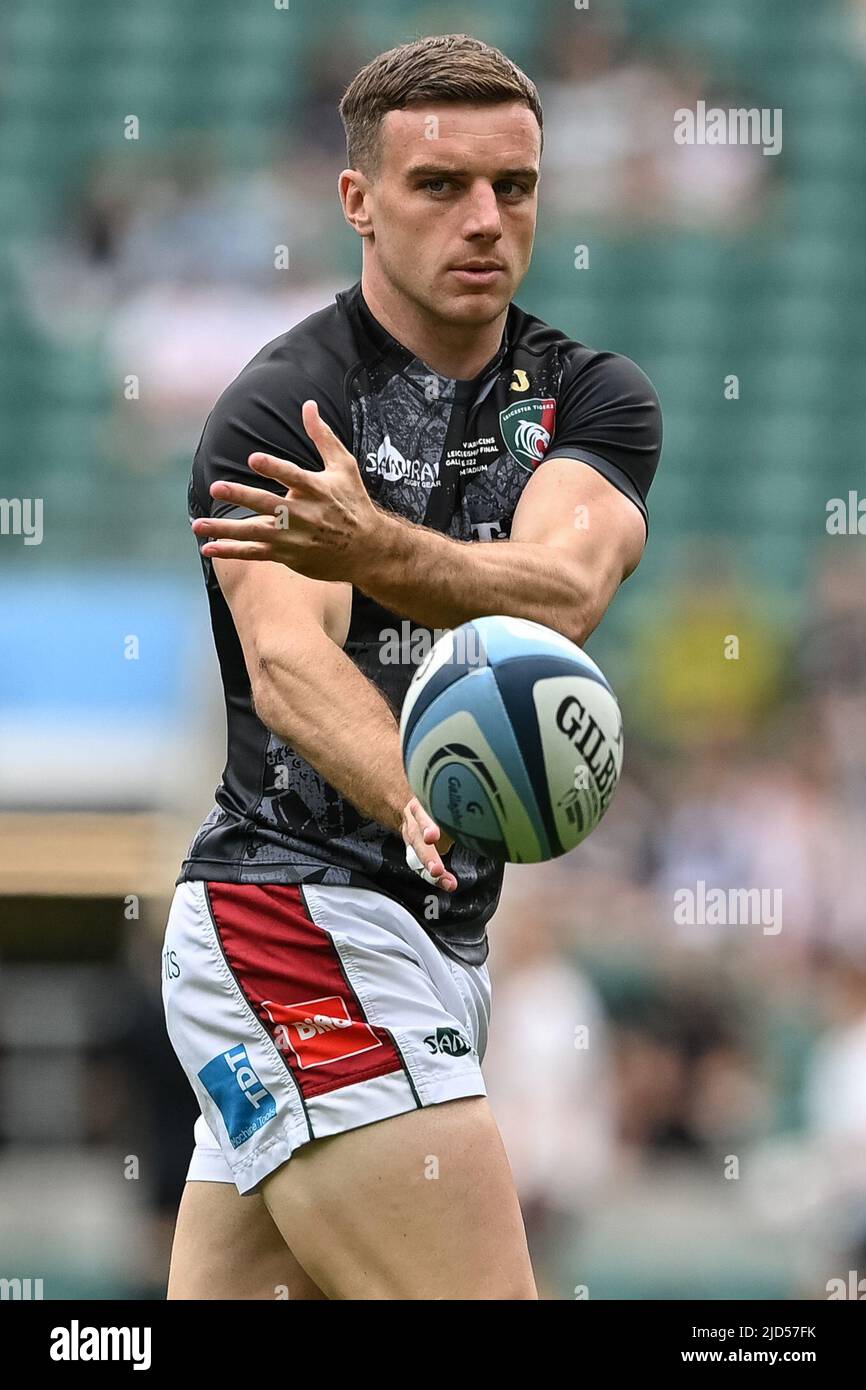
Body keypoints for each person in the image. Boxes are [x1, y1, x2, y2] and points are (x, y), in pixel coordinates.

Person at [161, 32, 662, 1300]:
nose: (485, 218)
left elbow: (565, 589)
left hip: (432, 940)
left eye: (515, 186)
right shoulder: (280, 411)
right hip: (296, 916)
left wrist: (375, 540)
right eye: (439, 186)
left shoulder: (591, 396)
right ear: (357, 202)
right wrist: (406, 793)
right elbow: (288, 664)